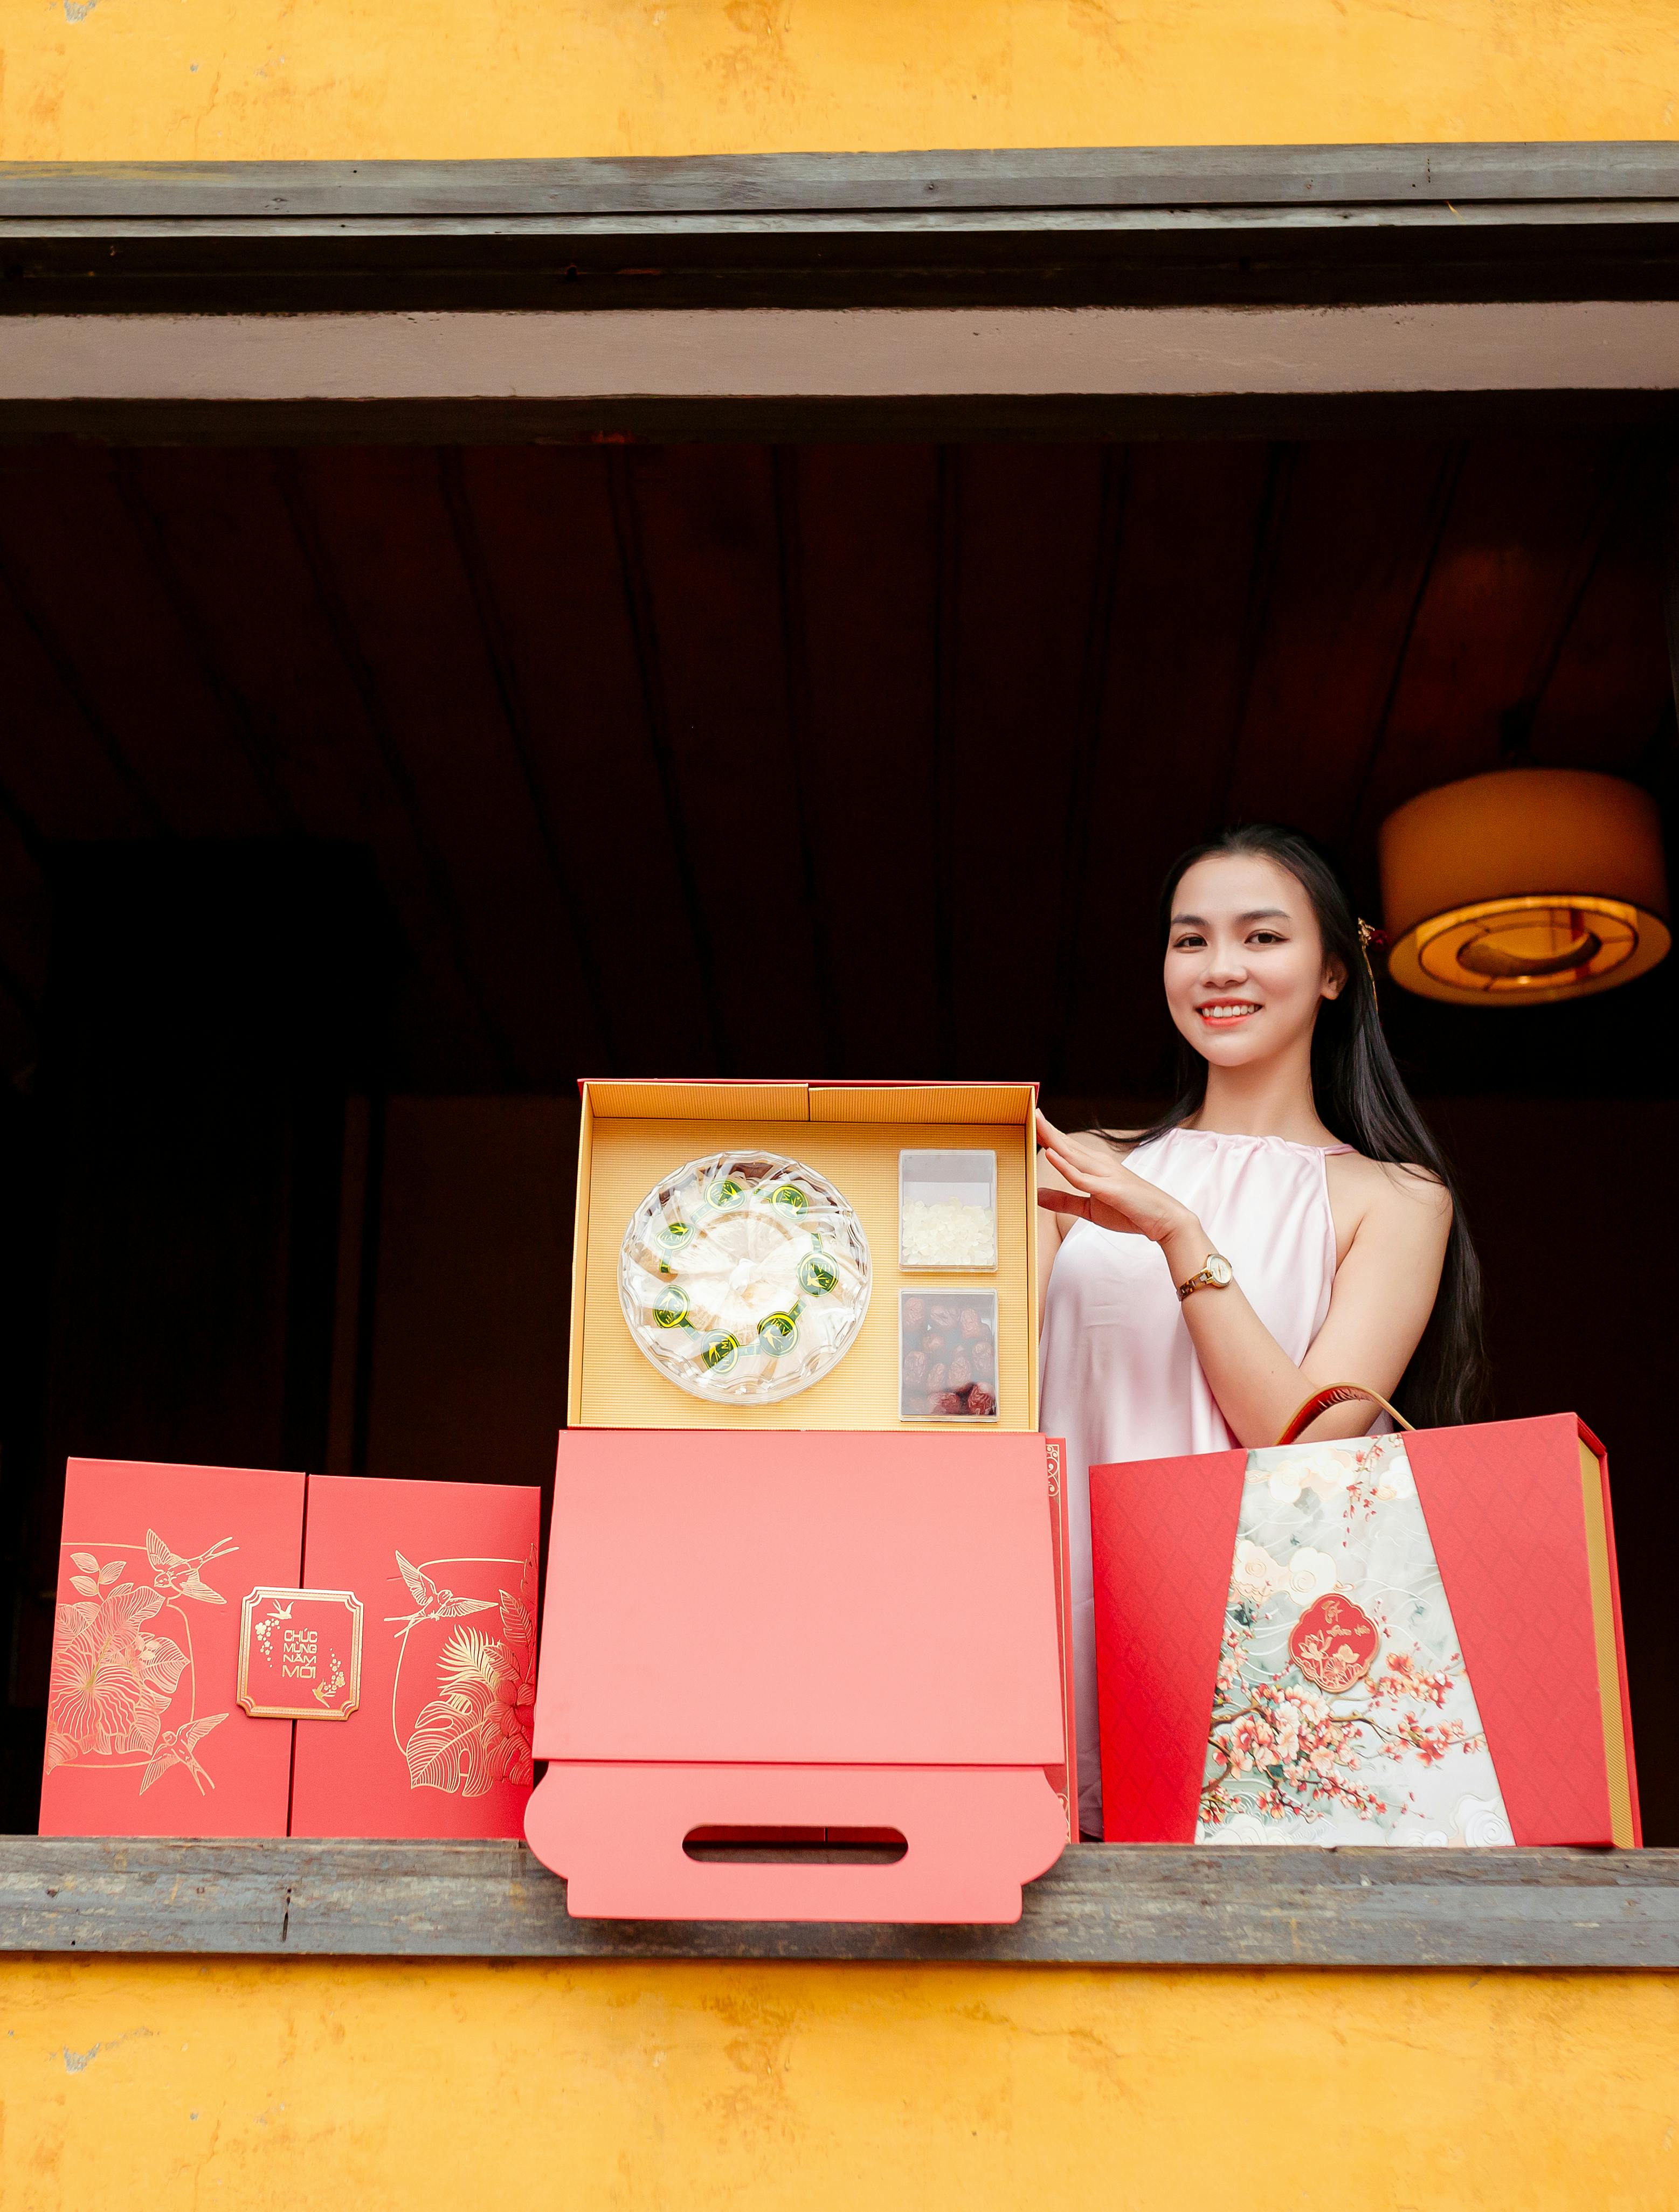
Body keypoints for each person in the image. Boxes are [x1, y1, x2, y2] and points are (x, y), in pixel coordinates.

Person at [1037, 822, 1485, 1838]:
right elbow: (968, 1408)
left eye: (1261, 937)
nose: (1220, 967)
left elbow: (1303, 1446)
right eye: (1189, 940)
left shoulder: (1396, 1199)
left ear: (1334, 970)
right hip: (1060, 1626)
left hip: (1265, 1658)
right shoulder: (1075, 1168)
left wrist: (1176, 1230)